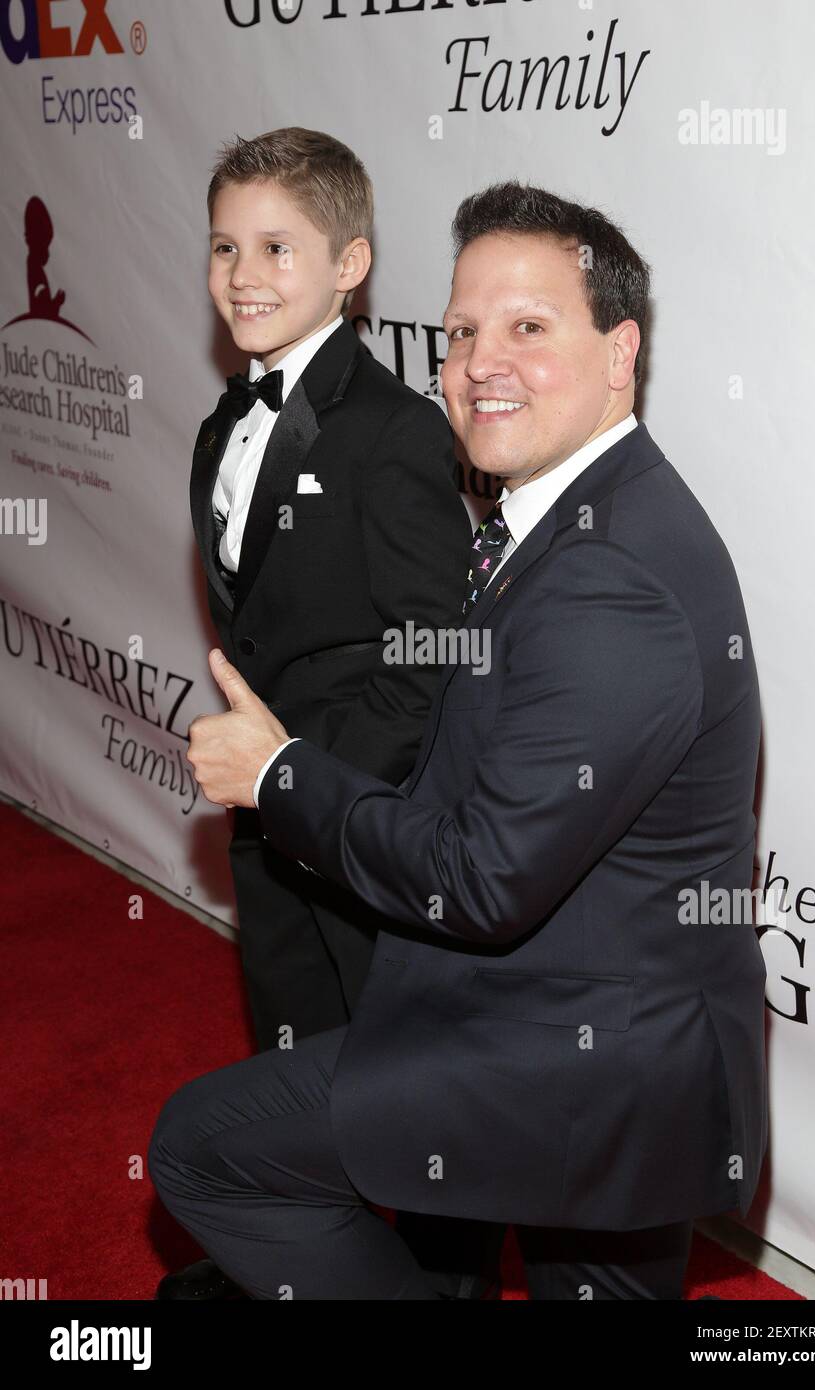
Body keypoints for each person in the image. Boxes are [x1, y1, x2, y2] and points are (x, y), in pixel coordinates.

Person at [150, 181, 768, 1300]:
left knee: (206, 1146)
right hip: (582, 1020)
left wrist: (277, 773)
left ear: (617, 351)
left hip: (584, 1063)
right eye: (461, 331)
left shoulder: (607, 579)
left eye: (528, 328)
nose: (481, 360)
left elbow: (481, 879)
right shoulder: (571, 513)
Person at [159, 126, 485, 1300]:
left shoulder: (395, 433)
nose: (242, 275)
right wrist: (270, 801)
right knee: (301, 1076)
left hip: (370, 827)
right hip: (273, 836)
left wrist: (301, 783)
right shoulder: (218, 429)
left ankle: (441, 1288)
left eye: (276, 247)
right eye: (223, 247)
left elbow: (431, 657)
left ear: (349, 264)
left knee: (413, 1092)